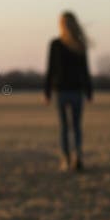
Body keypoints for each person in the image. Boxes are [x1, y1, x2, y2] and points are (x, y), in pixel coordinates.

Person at [43, 11, 93, 171]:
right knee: (76, 127)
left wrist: (47, 92)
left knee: (65, 127)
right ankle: (76, 156)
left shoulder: (57, 44)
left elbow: (50, 69)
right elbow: (85, 71)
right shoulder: (77, 45)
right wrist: (89, 91)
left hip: (62, 91)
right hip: (74, 91)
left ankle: (67, 159)